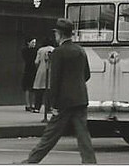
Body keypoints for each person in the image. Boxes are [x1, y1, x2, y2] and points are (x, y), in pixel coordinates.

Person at [19, 18, 96, 164]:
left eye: (56, 34)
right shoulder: (80, 50)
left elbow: (54, 80)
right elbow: (87, 74)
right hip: (80, 99)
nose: (55, 36)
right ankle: (89, 161)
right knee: (83, 134)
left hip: (64, 101)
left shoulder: (58, 52)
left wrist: (52, 104)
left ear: (59, 34)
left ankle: (32, 160)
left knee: (51, 134)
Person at [32, 37, 55, 122]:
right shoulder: (54, 50)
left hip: (41, 71)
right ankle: (48, 107)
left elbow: (36, 62)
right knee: (49, 90)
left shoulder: (40, 50)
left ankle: (37, 108)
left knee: (39, 90)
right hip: (51, 72)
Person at [20, 39, 38, 112]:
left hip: (32, 70)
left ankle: (32, 104)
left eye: (35, 42)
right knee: (28, 88)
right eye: (32, 42)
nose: (34, 44)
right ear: (28, 43)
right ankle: (28, 104)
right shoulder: (26, 51)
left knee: (33, 88)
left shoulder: (35, 50)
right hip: (29, 70)